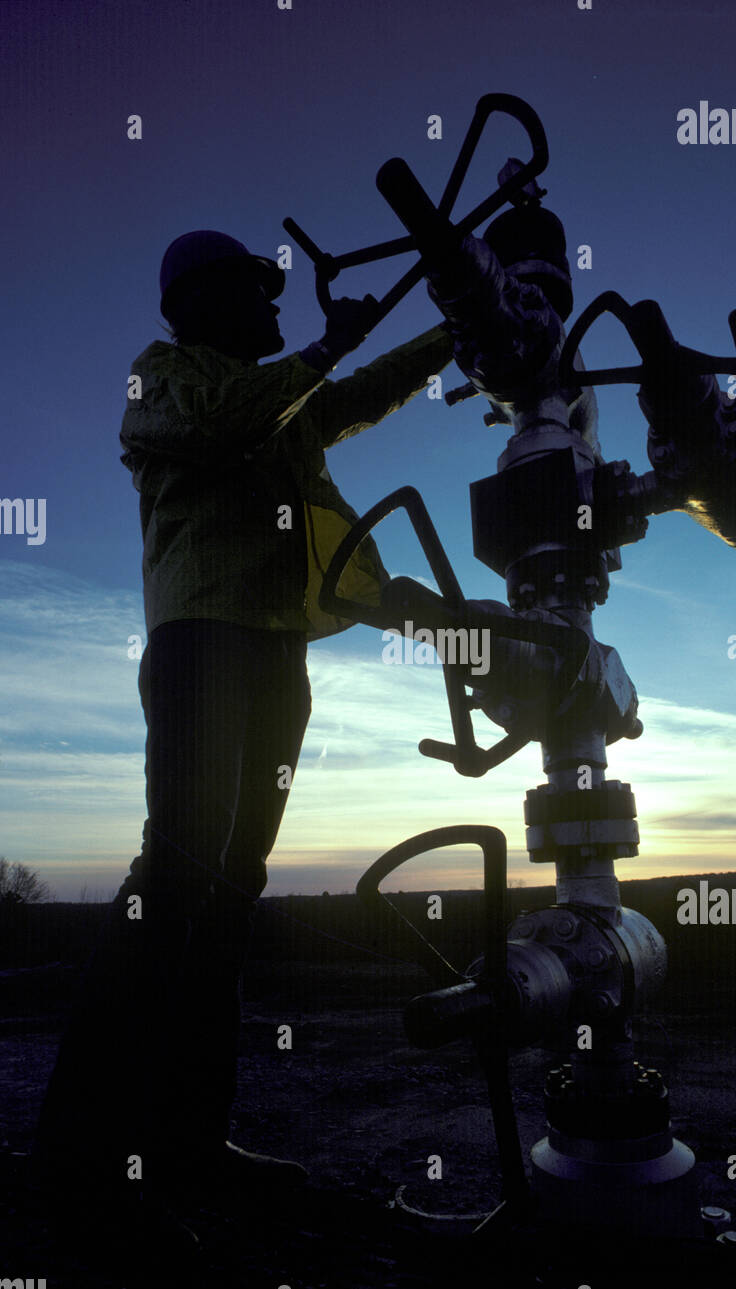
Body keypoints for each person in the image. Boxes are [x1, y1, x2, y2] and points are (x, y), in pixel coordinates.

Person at [32, 230, 453, 1237]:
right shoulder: (162, 379)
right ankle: (78, 1146)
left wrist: (452, 336)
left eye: (279, 301)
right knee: (175, 877)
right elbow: (225, 422)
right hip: (199, 645)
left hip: (274, 655)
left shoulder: (286, 399)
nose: (275, 311)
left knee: (228, 898)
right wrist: (318, 354)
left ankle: (186, 1143)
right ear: (202, 302)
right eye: (258, 297)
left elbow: (346, 401)